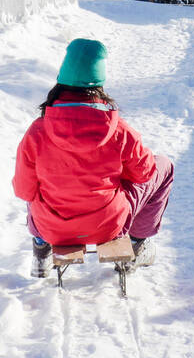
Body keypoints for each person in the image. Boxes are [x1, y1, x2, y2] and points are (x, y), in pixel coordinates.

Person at [13, 38, 174, 278]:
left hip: (52, 228)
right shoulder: (118, 130)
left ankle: (40, 247)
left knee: (34, 185)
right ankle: (138, 244)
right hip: (108, 226)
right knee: (165, 166)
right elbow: (144, 174)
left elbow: (24, 191)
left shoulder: (38, 131)